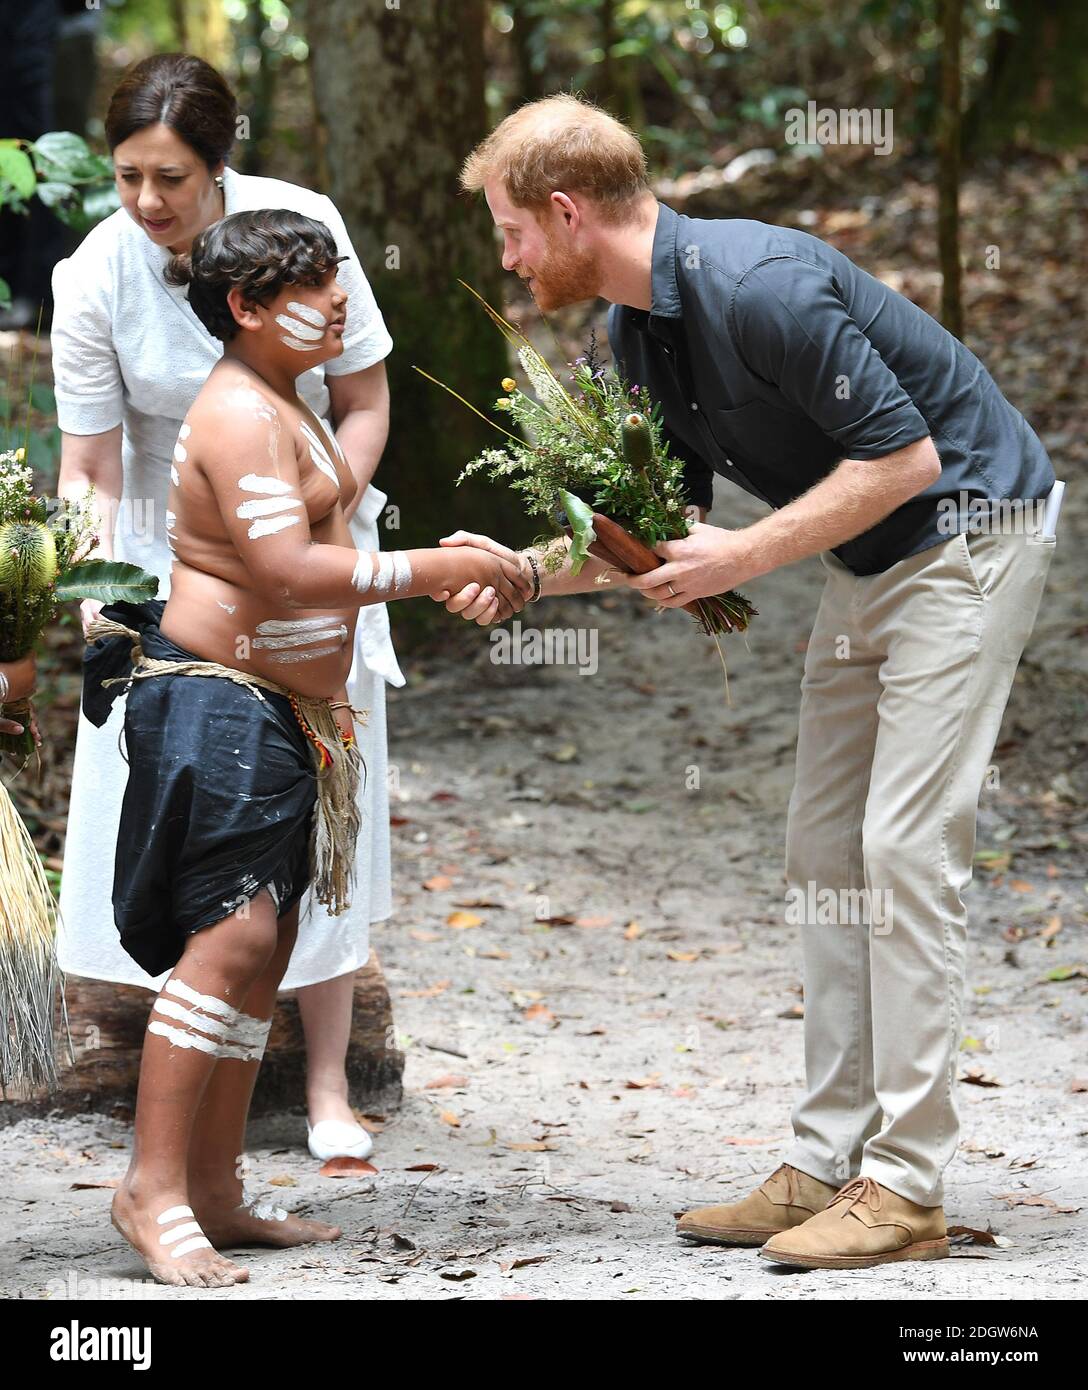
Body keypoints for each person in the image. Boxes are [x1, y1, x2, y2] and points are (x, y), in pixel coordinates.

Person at [441, 93, 1059, 1270]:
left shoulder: (758, 283)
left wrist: (742, 554)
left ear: (567, 212)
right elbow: (664, 531)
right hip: (871, 553)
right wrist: (521, 572)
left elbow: (907, 457)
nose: (508, 256)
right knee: (820, 854)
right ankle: (823, 1163)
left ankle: (908, 1185)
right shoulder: (632, 330)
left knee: (900, 849)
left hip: (971, 531)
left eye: (511, 230)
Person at [82, 206, 530, 1287]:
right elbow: (282, 571)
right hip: (218, 702)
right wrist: (429, 569)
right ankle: (150, 1188)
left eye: (336, 277)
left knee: (265, 952)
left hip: (282, 713)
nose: (339, 298)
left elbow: (322, 550)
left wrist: (485, 564)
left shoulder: (293, 402)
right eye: (312, 286)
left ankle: (215, 1188)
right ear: (244, 308)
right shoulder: (238, 410)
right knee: (231, 940)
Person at [52, 53, 403, 1161]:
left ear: (221, 165)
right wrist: (93, 588)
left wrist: (312, 506)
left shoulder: (300, 230)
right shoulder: (92, 272)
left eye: (171, 177)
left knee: (317, 790)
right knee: (170, 799)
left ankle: (333, 1084)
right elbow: (92, 466)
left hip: (307, 514)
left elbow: (364, 399)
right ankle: (174, 1088)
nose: (147, 201)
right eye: (127, 176)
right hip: (165, 537)